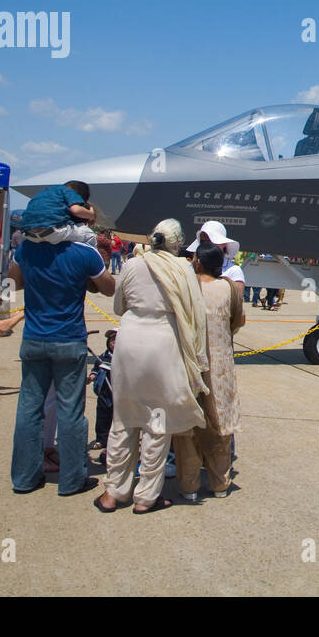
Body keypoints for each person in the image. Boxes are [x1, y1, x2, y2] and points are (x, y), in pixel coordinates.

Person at [93, 220, 208, 515]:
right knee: (157, 423)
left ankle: (113, 492)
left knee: (124, 418)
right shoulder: (183, 269)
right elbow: (196, 313)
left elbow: (118, 306)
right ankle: (145, 497)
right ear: (177, 241)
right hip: (163, 343)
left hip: (130, 340)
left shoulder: (133, 265)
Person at [7, 205, 114, 496]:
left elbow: (12, 283)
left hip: (33, 338)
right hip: (69, 339)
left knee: (29, 409)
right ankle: (72, 479)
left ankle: (25, 478)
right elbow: (108, 289)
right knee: (71, 412)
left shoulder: (26, 250)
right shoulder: (83, 253)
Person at [173, 244, 245, 501]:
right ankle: (220, 484)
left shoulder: (186, 289)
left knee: (187, 428)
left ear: (198, 264)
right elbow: (237, 320)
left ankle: (189, 487)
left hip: (188, 364)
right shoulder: (229, 288)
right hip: (220, 366)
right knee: (219, 428)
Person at [19, 180, 97, 247]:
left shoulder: (47, 192)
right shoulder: (69, 192)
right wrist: (91, 214)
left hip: (29, 234)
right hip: (51, 232)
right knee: (89, 235)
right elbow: (76, 210)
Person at [186, 221, 245, 304]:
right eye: (203, 241)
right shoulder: (190, 267)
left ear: (223, 244)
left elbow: (237, 303)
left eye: (211, 241)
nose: (207, 245)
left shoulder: (234, 271)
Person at [88, 330, 117, 454]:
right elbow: (95, 370)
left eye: (117, 339)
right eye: (111, 340)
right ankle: (101, 440)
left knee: (117, 419)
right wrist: (91, 377)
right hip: (105, 394)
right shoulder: (103, 357)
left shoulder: (126, 356)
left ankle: (115, 440)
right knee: (103, 418)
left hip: (119, 395)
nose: (114, 343)